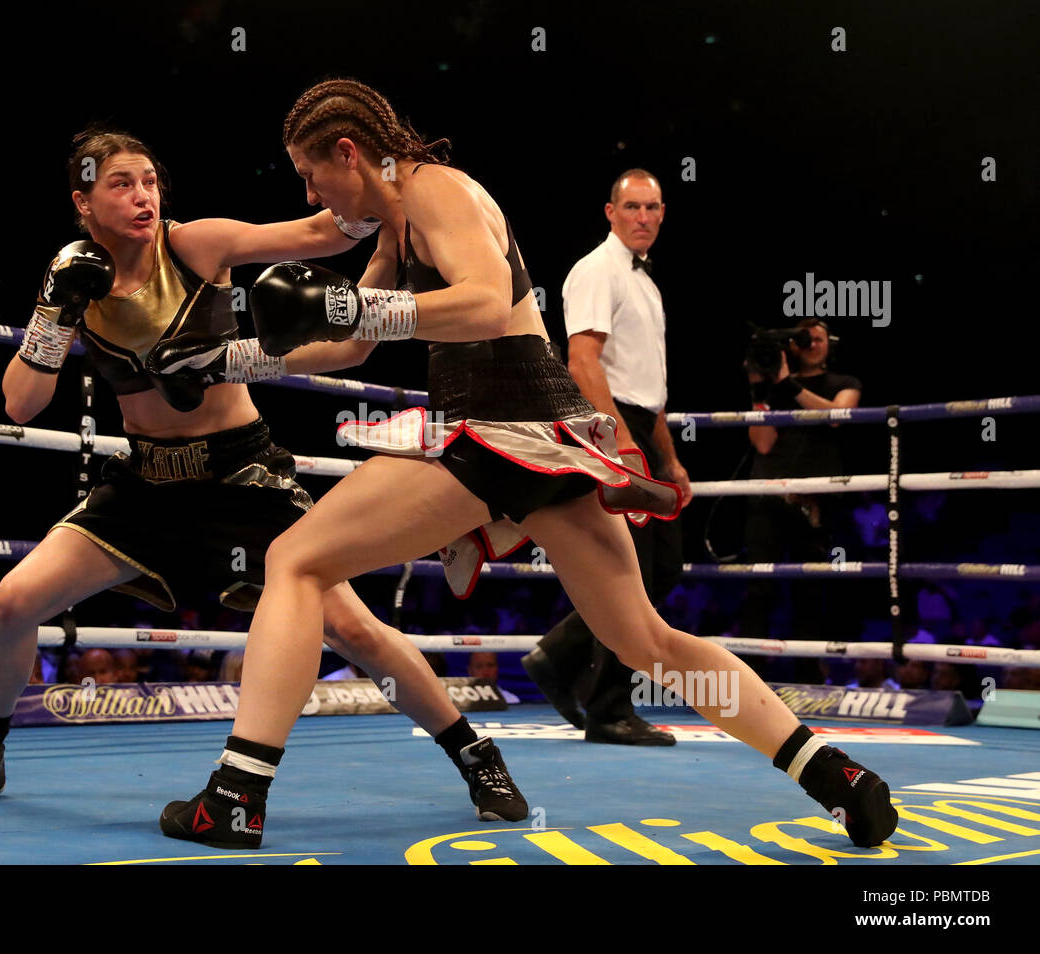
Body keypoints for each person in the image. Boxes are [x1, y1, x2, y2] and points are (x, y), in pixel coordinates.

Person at [157, 79, 898, 851]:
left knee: (295, 561)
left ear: (349, 152)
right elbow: (350, 344)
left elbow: (483, 302)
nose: (310, 194)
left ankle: (237, 794)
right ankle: (832, 774)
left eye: (311, 174)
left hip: (491, 427)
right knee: (646, 640)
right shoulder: (396, 226)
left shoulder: (437, 190)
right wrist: (227, 359)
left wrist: (359, 307)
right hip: (536, 436)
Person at [0, 128, 527, 823]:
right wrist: (53, 311)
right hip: (143, 484)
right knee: (15, 599)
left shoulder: (194, 244)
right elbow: (20, 403)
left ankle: (477, 758)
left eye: (149, 181)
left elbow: (321, 233)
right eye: (121, 185)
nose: (142, 196)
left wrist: (378, 192)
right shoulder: (76, 277)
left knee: (354, 630)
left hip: (240, 475)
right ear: (84, 201)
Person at [523, 168, 691, 745]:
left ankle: (558, 655)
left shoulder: (646, 282)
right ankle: (609, 708)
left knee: (663, 565)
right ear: (610, 212)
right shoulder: (597, 269)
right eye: (632, 207)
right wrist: (618, 442)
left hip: (640, 424)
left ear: (663, 213)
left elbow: (652, 389)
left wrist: (668, 461)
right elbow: (583, 363)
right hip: (610, 423)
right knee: (631, 568)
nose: (643, 217)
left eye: (652, 207)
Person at [744, 318, 862, 682]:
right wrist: (759, 390)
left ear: (831, 344)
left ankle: (808, 678)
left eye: (819, 338)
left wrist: (786, 383)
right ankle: (750, 678)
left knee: (810, 590)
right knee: (759, 586)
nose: (812, 343)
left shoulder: (845, 384)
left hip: (814, 501)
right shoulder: (773, 387)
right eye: (804, 338)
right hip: (768, 494)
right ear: (791, 346)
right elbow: (763, 443)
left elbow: (836, 417)